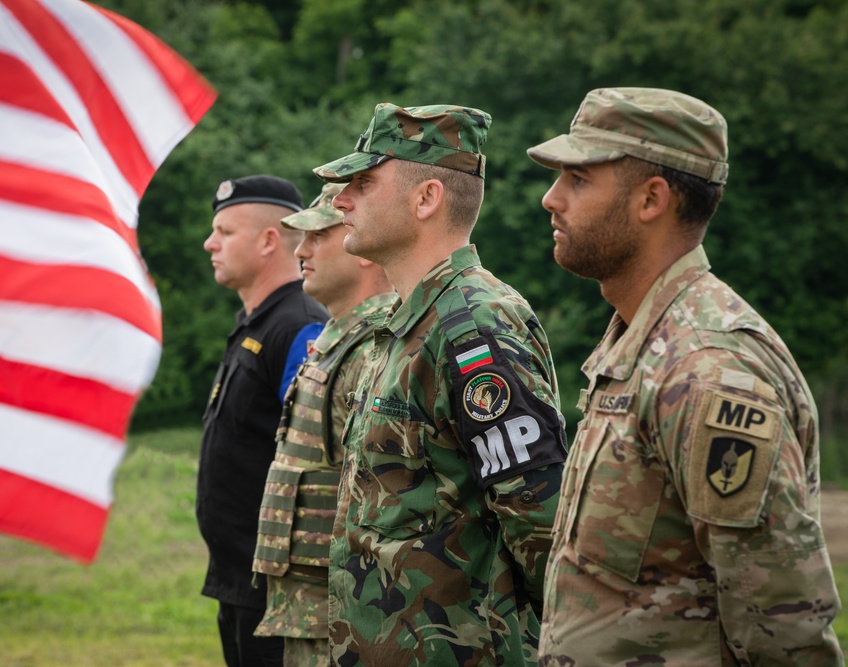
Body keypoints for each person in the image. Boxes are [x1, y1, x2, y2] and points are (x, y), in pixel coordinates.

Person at [526, 87, 843, 665]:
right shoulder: (640, 337)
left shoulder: (705, 369)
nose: (552, 199)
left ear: (652, 200)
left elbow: (783, 629)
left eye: (578, 179)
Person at [313, 103, 569, 666]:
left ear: (426, 198)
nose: (340, 200)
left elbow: (541, 523)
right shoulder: (404, 323)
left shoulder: (473, 325)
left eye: (363, 182)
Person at [250, 182, 396, 666]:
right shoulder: (339, 338)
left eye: (318, 237)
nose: (301, 250)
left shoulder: (374, 350)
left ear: (363, 248)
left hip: (345, 618)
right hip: (311, 611)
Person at [198, 174, 329, 667]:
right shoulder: (256, 324)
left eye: (225, 232)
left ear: (269, 240)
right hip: (239, 579)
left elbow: (316, 451)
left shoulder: (299, 326)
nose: (210, 243)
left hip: (277, 590)